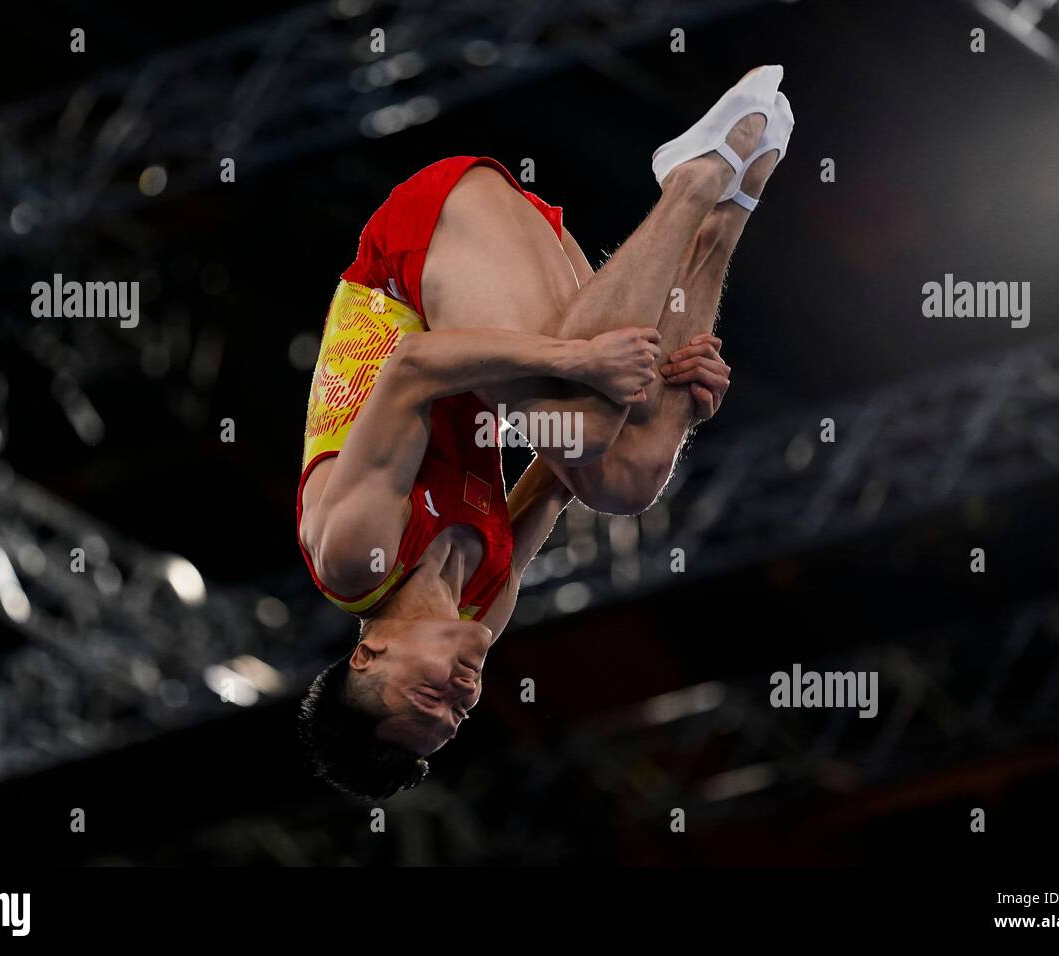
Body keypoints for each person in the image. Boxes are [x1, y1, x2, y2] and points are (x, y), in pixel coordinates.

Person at [296, 65, 795, 798]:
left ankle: (694, 180)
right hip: (495, 293)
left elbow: (413, 366)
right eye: (456, 719)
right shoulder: (486, 611)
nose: (462, 699)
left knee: (582, 428)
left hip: (419, 251)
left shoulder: (353, 557)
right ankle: (725, 214)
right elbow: (565, 482)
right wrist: (676, 400)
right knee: (619, 483)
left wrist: (577, 356)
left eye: (428, 699)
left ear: (369, 658)